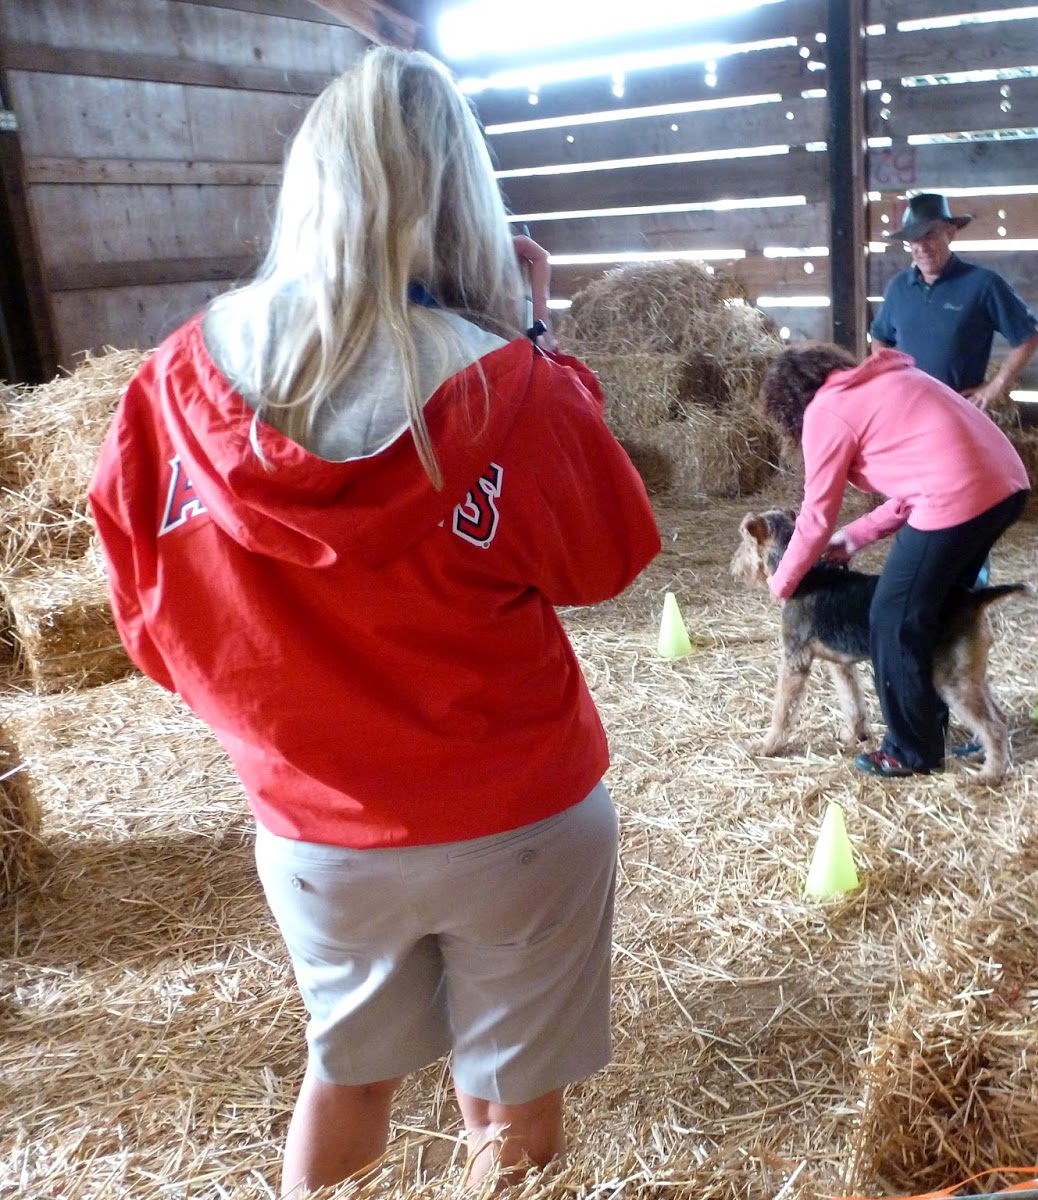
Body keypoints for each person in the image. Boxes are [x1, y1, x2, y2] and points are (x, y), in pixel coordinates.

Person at [88, 48, 661, 1197]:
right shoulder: (515, 380)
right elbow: (607, 559)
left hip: (315, 831)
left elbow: (149, 622)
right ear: (463, 195)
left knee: (345, 1077)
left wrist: (283, 710)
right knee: (512, 1095)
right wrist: (533, 334)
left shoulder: (171, 381)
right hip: (520, 815)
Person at [759, 342, 1030, 778]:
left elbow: (815, 515)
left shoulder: (825, 412)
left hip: (958, 496)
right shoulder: (886, 382)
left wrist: (783, 582)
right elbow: (913, 489)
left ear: (788, 404)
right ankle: (950, 733)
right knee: (938, 616)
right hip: (1007, 487)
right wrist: (855, 538)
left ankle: (910, 751)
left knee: (892, 615)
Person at [869, 192, 1038, 412]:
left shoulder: (983, 284)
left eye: (929, 235)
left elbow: (1029, 336)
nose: (921, 247)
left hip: (958, 412)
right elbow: (880, 337)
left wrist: (994, 387)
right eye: (914, 239)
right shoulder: (898, 287)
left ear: (950, 233)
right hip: (906, 411)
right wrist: (888, 379)